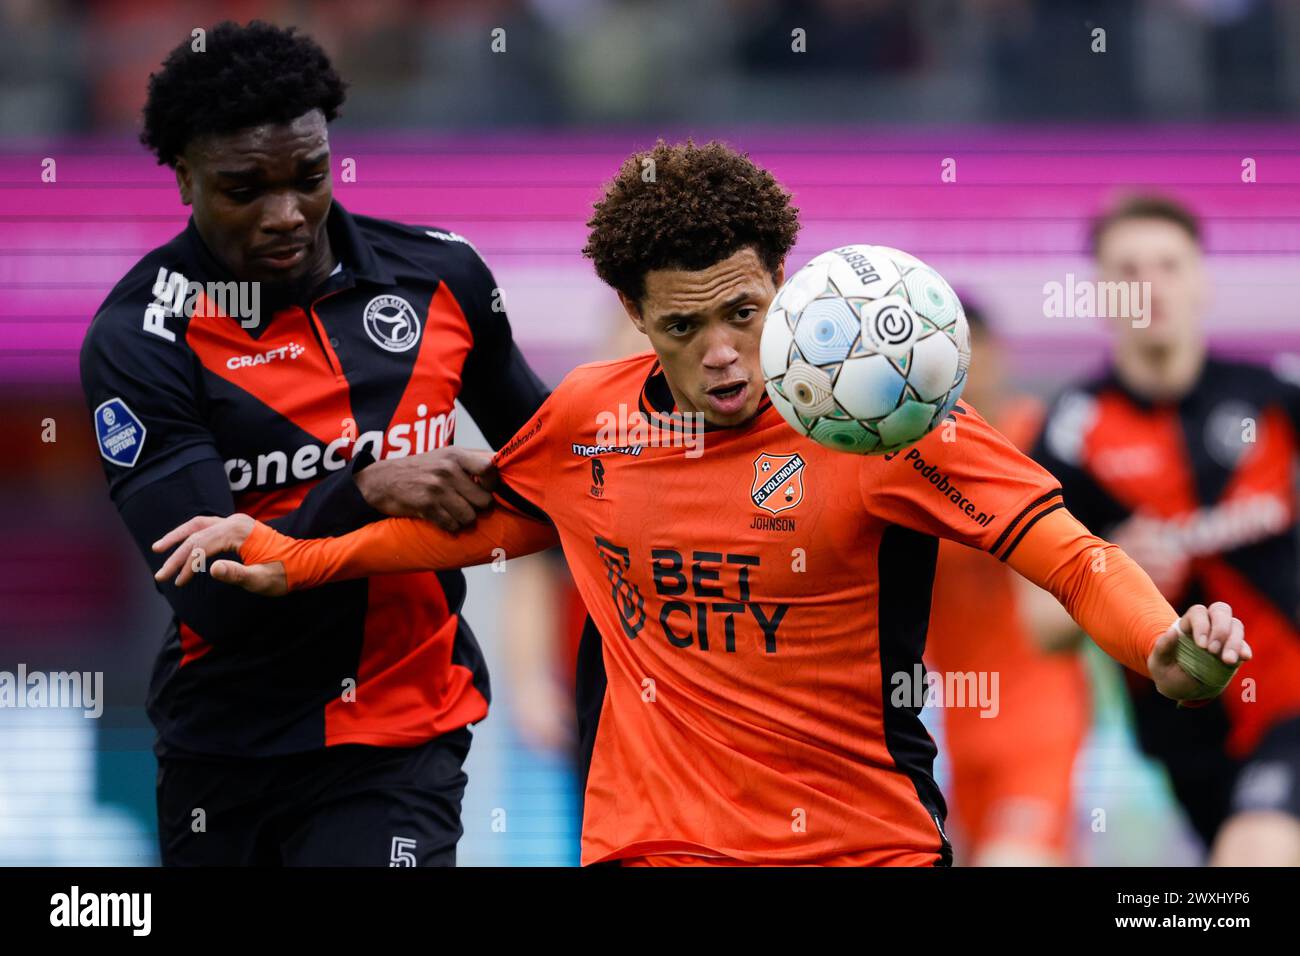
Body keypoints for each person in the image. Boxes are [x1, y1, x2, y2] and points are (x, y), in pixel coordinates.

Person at [155, 142, 1249, 867]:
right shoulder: (588, 419)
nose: (722, 356)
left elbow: (1067, 556)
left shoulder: (879, 413)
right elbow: (488, 524)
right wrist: (293, 556)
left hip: (858, 845)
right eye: (683, 328)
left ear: (783, 279)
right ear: (634, 314)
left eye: (742, 311)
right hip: (649, 843)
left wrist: (1158, 643)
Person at [79, 21, 549, 866]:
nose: (286, 214)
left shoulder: (444, 278)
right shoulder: (140, 339)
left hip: (403, 735)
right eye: (244, 188)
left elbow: (555, 472)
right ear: (183, 174)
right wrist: (363, 489)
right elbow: (213, 598)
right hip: (224, 748)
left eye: (309, 177)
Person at [1029, 195, 1300, 866]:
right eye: (1126, 270)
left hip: (1290, 707)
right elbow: (1039, 625)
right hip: (1182, 730)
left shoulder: (1277, 399)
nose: (1149, 286)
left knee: (1255, 853)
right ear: (1098, 294)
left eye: (1169, 266)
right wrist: (1115, 570)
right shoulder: (1069, 431)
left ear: (1201, 281)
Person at [923, 303, 1089, 865]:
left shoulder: (1041, 444)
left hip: (1040, 722)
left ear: (993, 356)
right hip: (958, 737)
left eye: (964, 356)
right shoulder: (911, 469)